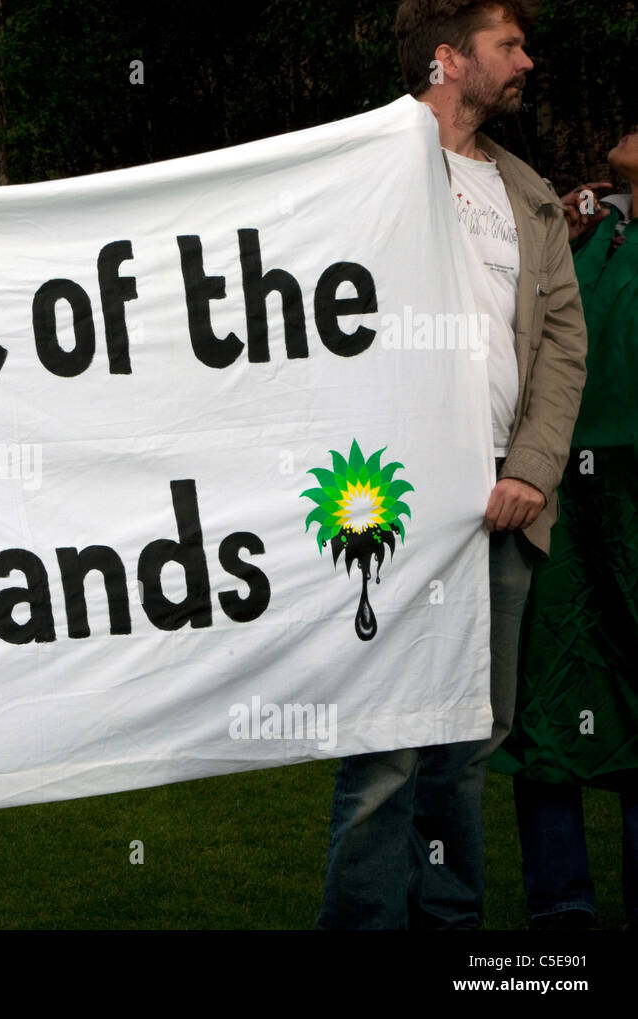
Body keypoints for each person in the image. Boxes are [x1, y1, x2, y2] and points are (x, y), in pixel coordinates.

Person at [317, 0, 588, 929]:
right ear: (448, 57)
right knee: (386, 746)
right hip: (386, 506)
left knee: (469, 743)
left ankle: (451, 931)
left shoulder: (531, 193)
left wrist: (534, 469)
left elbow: (561, 344)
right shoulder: (357, 168)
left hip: (503, 501)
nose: (526, 61)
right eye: (507, 45)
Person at [489, 126, 638, 929]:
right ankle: (560, 909)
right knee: (543, 696)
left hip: (629, 502)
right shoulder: (582, 226)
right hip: (554, 495)